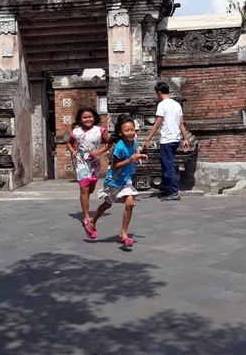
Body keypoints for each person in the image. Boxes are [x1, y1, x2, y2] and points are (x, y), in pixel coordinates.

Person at [88, 115, 147, 249]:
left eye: (132, 130)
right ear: (120, 132)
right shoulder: (119, 147)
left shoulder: (133, 141)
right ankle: (92, 221)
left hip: (126, 180)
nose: (131, 133)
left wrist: (139, 157)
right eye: (127, 131)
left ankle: (123, 233)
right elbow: (114, 166)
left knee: (130, 203)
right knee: (107, 204)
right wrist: (130, 159)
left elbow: (136, 148)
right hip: (114, 180)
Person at [143, 81, 190, 201]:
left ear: (159, 92)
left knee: (168, 166)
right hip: (176, 139)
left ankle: (174, 192)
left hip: (167, 140)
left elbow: (157, 124)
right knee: (166, 164)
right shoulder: (177, 105)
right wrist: (185, 139)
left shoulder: (162, 105)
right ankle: (166, 187)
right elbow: (181, 124)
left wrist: (148, 139)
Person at [67, 107, 110, 240]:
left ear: (94, 117)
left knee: (90, 188)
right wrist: (73, 151)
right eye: (84, 117)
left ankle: (87, 197)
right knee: (84, 187)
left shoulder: (100, 131)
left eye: (89, 117)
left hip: (94, 163)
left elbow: (109, 143)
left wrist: (99, 152)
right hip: (80, 162)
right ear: (80, 119)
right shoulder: (76, 132)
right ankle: (86, 216)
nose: (87, 119)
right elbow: (69, 143)